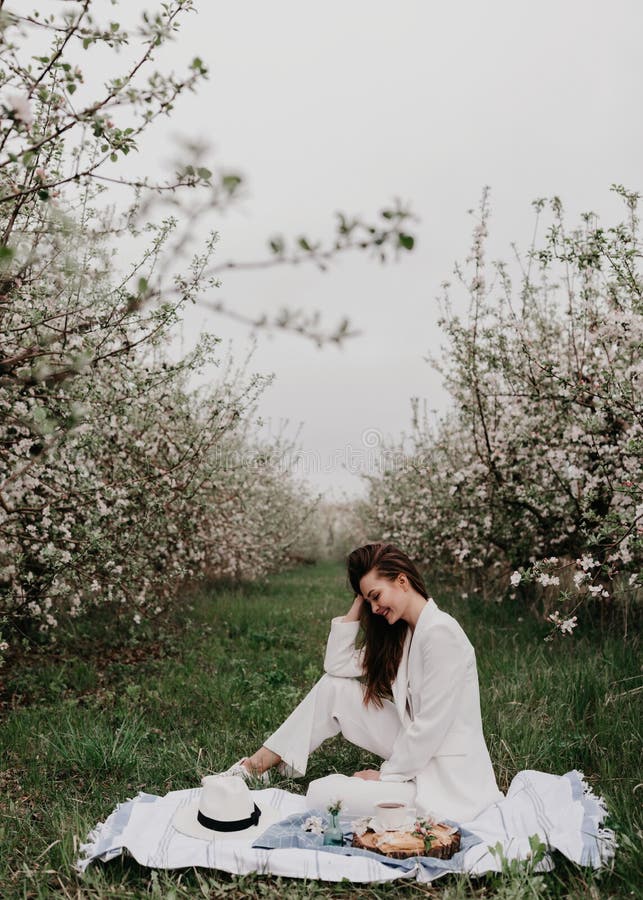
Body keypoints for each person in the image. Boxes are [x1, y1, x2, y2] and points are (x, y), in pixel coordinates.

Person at [223, 542, 504, 822]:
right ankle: (254, 767)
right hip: (417, 750)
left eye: (376, 596)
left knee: (322, 795)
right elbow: (336, 665)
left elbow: (430, 727)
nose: (374, 606)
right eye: (368, 600)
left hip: (448, 780)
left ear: (402, 581)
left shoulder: (441, 634)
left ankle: (400, 789)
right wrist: (360, 601)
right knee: (335, 688)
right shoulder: (404, 635)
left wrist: (386, 776)